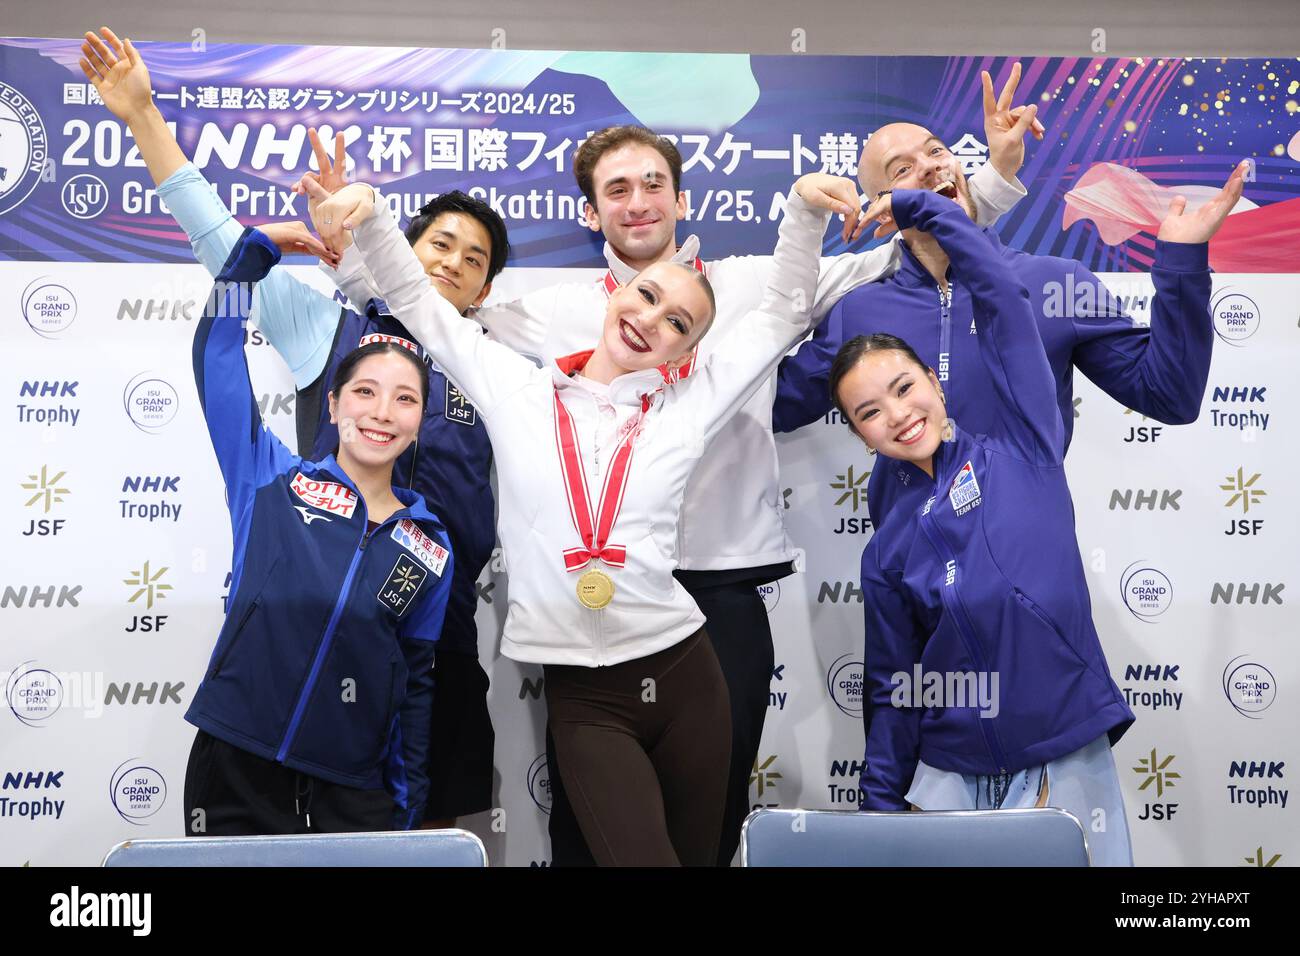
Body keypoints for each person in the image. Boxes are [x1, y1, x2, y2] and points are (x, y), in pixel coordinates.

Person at [315, 76, 1038, 862]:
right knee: (587, 835)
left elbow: (887, 266)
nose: (638, 203)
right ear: (591, 212)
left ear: (682, 201)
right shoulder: (537, 337)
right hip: (587, 631)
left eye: (654, 184)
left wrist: (983, 186)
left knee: (705, 834)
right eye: (616, 189)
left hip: (714, 596)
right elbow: (430, 309)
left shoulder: (739, 311)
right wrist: (362, 230)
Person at [303, 165, 845, 865]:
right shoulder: (515, 389)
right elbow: (416, 298)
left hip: (685, 673)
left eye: (677, 322)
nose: (651, 319)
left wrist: (803, 214)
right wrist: (372, 214)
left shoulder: (688, 408)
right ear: (618, 291)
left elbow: (781, 317)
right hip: (585, 693)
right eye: (647, 295)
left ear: (687, 353)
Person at [80, 26, 500, 829]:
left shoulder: (503, 371)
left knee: (432, 839)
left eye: (474, 258)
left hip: (435, 644)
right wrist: (144, 121)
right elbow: (220, 260)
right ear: (401, 253)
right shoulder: (329, 334)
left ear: (483, 292)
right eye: (437, 243)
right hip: (301, 645)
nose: (451, 261)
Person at [833, 177, 1237, 865]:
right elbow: (892, 687)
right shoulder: (887, 553)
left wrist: (1177, 264)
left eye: (904, 389)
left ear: (936, 381)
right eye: (869, 412)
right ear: (856, 434)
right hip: (948, 774)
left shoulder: (1025, 444)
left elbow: (1006, 303)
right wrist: (878, 813)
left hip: (1057, 753)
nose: (896, 414)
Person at [776, 79, 1244, 533]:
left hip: (1030, 560)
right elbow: (777, 407)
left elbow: (1169, 396)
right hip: (910, 571)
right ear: (883, 210)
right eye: (902, 169)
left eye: (937, 151)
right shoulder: (859, 311)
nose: (931, 167)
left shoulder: (1057, 283)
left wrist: (1181, 265)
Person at [183, 219, 455, 834]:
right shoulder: (270, 478)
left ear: (419, 422)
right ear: (332, 405)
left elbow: (413, 684)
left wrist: (407, 808)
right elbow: (216, 356)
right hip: (237, 763)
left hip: (352, 788)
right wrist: (255, 254)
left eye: (405, 399)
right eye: (364, 391)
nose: (382, 412)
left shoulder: (429, 543)